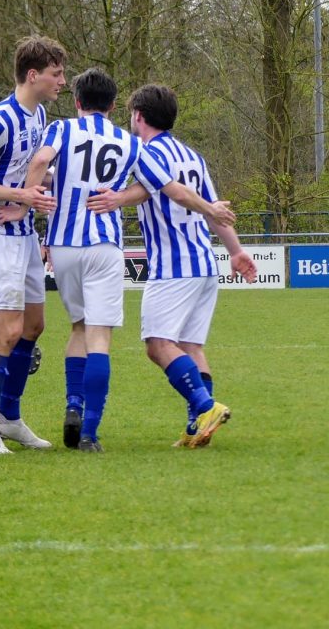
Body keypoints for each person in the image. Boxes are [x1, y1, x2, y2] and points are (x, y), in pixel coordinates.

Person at [24, 68, 237, 451]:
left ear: (76, 102)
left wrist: (28, 198)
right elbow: (169, 188)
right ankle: (90, 433)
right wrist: (212, 211)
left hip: (63, 243)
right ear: (112, 105)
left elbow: (41, 160)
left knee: (78, 328)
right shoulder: (130, 144)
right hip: (106, 245)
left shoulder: (62, 130)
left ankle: (74, 406)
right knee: (101, 339)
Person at [86, 84, 255, 448]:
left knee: (158, 344)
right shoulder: (192, 156)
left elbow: (153, 188)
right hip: (204, 264)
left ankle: (204, 406)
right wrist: (236, 251)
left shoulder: (147, 152)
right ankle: (197, 427)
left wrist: (115, 199)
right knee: (191, 347)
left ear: (138, 117)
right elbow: (213, 210)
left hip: (174, 266)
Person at [0, 35, 63, 454]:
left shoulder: (38, 114)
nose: (62, 82)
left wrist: (37, 196)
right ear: (33, 74)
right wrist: (21, 197)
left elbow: (29, 173)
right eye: (57, 74)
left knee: (34, 327)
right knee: (7, 331)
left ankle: (9, 416)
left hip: (23, 234)